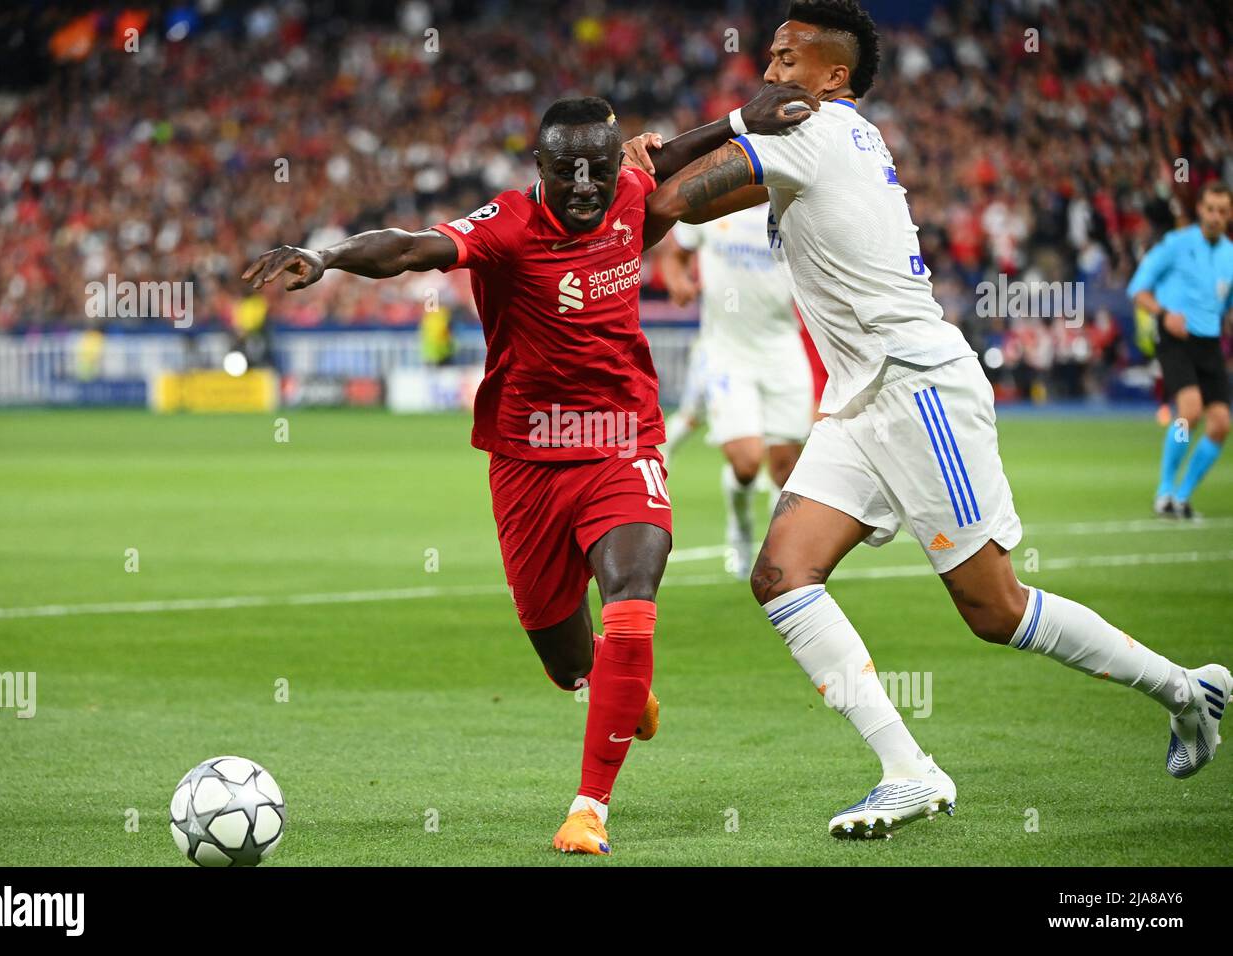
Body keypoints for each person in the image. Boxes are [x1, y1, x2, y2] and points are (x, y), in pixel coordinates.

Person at [638, 0, 1230, 838]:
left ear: (833, 77)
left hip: (918, 389)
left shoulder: (814, 131)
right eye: (767, 59)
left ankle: (1185, 689)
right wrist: (688, 143)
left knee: (994, 609)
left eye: (786, 58)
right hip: (862, 397)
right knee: (781, 575)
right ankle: (908, 771)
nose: (771, 72)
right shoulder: (818, 131)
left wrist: (668, 148)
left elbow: (679, 204)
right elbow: (680, 195)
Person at [242, 89, 814, 854]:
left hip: (622, 441)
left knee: (634, 592)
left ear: (618, 166)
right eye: (567, 171)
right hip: (527, 460)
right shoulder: (510, 224)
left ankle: (589, 808)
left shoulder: (631, 191)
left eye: (600, 171)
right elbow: (414, 246)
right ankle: (620, 686)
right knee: (565, 657)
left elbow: (669, 157)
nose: (585, 186)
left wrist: (745, 120)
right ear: (538, 167)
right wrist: (330, 255)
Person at [657, 206, 813, 577]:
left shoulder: (791, 203)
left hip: (782, 349)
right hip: (727, 353)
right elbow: (674, 254)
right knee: (745, 462)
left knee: (784, 470)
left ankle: (778, 554)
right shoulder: (710, 204)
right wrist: (678, 281)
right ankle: (741, 531)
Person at [1127, 180, 1233, 520]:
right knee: (1190, 412)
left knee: (1220, 424)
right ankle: (1164, 490)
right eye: (1210, 209)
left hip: (1209, 343)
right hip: (1175, 340)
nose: (1215, 216)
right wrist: (1163, 314)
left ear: (1229, 215)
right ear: (1200, 210)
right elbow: (1138, 289)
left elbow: (1225, 305)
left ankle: (1182, 498)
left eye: (1222, 211)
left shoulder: (1231, 256)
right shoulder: (1175, 244)